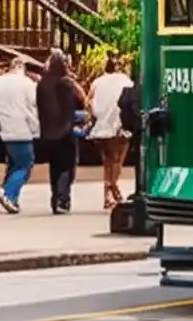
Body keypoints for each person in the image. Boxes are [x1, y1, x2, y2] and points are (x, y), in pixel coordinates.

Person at [0, 57, 40, 214]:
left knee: (13, 165)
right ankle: (6, 192)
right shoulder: (28, 84)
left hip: (6, 131)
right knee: (25, 165)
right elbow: (33, 108)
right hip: (23, 131)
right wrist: (36, 130)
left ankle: (10, 198)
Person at [36, 52, 82, 214]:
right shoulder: (65, 83)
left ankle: (55, 197)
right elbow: (76, 103)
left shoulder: (42, 84)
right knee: (67, 167)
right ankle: (63, 199)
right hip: (64, 131)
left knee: (54, 167)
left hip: (47, 132)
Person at [88, 56, 134, 209]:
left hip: (101, 127)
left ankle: (107, 195)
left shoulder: (97, 82)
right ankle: (113, 186)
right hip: (119, 125)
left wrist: (96, 116)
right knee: (117, 160)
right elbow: (130, 101)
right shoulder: (126, 81)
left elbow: (88, 102)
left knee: (107, 161)